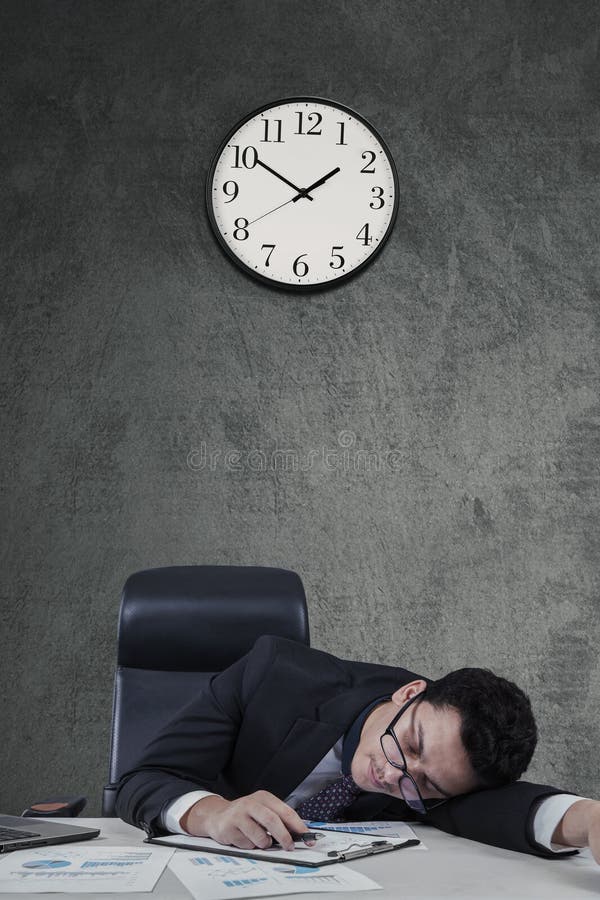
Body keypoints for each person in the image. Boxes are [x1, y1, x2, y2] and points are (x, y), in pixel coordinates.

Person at [115, 635, 600, 861]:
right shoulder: (273, 674)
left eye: (425, 783)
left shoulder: (443, 766)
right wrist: (212, 813)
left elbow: (500, 807)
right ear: (410, 693)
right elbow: (140, 782)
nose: (394, 775)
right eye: (407, 744)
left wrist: (588, 820)